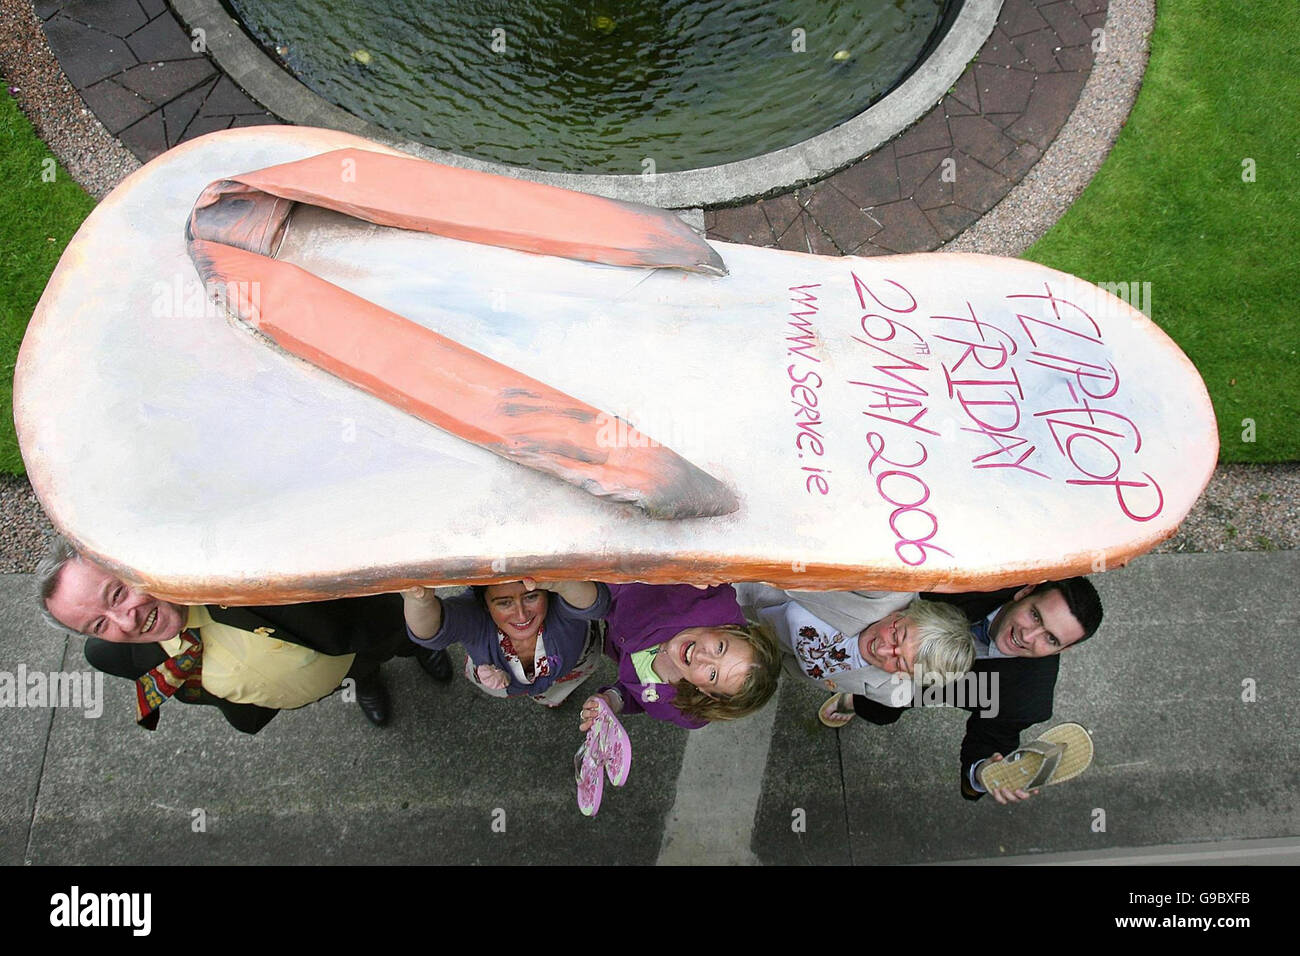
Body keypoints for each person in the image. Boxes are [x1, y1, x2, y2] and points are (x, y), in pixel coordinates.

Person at [37, 536, 452, 733]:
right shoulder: (113, 654)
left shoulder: (241, 564)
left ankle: (418, 651)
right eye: (100, 624)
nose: (126, 622)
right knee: (364, 672)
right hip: (327, 675)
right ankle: (367, 682)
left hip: (365, 632)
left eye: (117, 592)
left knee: (406, 639)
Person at [822, 579, 1103, 804]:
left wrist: (984, 772)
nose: (1027, 637)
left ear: (1064, 649)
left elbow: (989, 741)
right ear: (1024, 591)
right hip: (888, 629)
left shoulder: (1026, 700)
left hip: (913, 690)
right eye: (1035, 616)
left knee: (876, 707)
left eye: (1050, 639)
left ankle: (852, 702)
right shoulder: (978, 578)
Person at [733, 583, 973, 712]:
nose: (881, 651)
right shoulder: (885, 588)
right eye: (896, 635)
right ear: (907, 611)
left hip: (742, 631)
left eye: (898, 663)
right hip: (746, 581)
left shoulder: (890, 693)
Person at [577, 583, 780, 732]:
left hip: (604, 631)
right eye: (720, 647)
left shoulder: (681, 710)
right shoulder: (699, 588)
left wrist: (612, 699)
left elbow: (642, 696)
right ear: (728, 628)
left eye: (712, 674)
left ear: (707, 693)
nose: (702, 657)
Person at [402, 579, 609, 705]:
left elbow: (595, 605)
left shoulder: (559, 603)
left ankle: (552, 699)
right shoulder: (474, 618)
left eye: (531, 597)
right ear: (483, 603)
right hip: (509, 686)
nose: (521, 615)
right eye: (504, 603)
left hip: (573, 668)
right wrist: (420, 601)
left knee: (557, 692)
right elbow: (430, 633)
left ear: (548, 591)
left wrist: (560, 583)